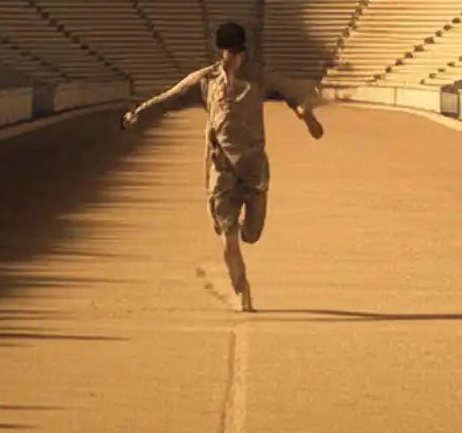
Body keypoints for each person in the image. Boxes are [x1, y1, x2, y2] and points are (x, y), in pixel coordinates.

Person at [121, 22, 325, 313]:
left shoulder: (259, 78)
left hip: (254, 168)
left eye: (237, 51)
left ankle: (241, 236)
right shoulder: (206, 80)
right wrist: (139, 112)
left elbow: (297, 92)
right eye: (229, 51)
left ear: (243, 52)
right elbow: (172, 96)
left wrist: (306, 116)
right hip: (221, 167)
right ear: (222, 51)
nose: (233, 57)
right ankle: (243, 294)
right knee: (228, 236)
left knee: (251, 234)